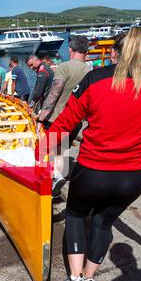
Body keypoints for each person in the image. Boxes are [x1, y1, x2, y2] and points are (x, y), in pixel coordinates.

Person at [38, 27, 141, 281]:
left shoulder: (95, 79)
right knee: (103, 222)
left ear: (113, 53)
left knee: (75, 214)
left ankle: (76, 279)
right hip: (134, 176)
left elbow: (64, 124)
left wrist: (41, 152)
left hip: (94, 170)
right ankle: (89, 277)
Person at [37, 37, 90, 197]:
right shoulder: (90, 71)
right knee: (62, 150)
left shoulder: (64, 67)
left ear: (70, 50)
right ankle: (58, 179)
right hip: (76, 121)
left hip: (57, 119)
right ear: (86, 51)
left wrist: (41, 118)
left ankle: (54, 179)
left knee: (48, 150)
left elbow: (53, 95)